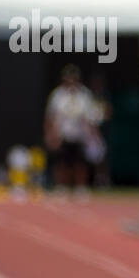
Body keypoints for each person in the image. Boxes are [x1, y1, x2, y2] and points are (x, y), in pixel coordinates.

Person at [45, 65, 97, 195]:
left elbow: (90, 117)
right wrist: (51, 134)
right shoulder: (57, 95)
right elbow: (51, 117)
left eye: (74, 79)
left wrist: (92, 135)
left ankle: (80, 187)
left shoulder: (85, 95)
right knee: (62, 161)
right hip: (63, 133)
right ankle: (61, 187)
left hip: (79, 134)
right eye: (68, 78)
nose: (71, 81)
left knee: (80, 162)